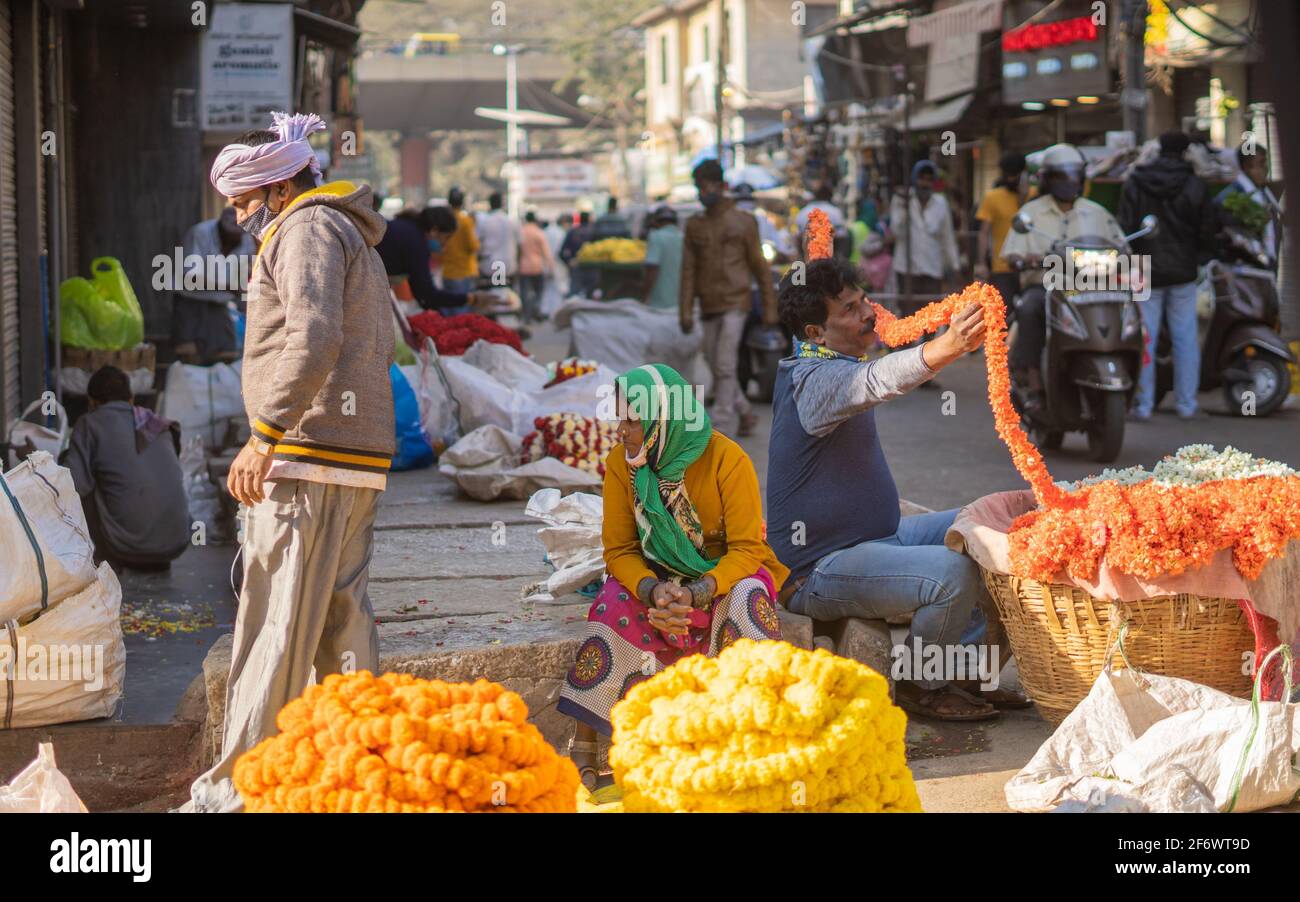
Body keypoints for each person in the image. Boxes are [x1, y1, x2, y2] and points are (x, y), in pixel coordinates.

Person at [188, 111, 394, 812]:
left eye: (244, 203)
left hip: (310, 457)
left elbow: (313, 333)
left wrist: (265, 434)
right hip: (352, 458)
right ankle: (357, 769)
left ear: (278, 189)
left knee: (277, 623)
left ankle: (242, 785)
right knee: (342, 624)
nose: (241, 217)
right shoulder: (340, 229)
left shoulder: (306, 228)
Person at [766, 258, 1028, 721]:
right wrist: (945, 346)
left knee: (991, 525)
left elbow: (875, 373)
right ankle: (920, 685)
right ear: (815, 334)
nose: (868, 312)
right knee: (954, 573)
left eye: (863, 298)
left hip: (880, 539)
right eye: (849, 308)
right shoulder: (812, 379)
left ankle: (965, 675)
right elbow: (878, 381)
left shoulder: (838, 361)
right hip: (819, 569)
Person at [558, 363, 788, 787]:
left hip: (721, 579)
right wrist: (653, 590)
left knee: (749, 599)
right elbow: (621, 550)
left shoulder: (726, 459)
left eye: (631, 421)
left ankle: (757, 732)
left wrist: (700, 591)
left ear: (663, 421)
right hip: (657, 580)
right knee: (611, 605)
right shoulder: (620, 465)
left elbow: (745, 549)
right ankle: (587, 744)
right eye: (620, 419)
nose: (621, 431)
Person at [1001, 143, 1127, 416]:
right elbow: (1011, 253)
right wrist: (1028, 257)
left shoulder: (1096, 212)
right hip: (1046, 286)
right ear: (1047, 179)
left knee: (1127, 306)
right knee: (1030, 308)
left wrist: (1126, 254)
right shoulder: (1031, 213)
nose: (1068, 183)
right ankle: (1034, 384)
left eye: (1073, 176)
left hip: (1090, 287)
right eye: (1061, 176)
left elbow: (1121, 244)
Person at [1120, 131, 1216, 421]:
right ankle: (1187, 405)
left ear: (1159, 148)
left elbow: (1126, 227)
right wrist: (1198, 259)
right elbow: (1206, 229)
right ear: (1187, 152)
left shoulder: (1137, 180)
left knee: (1145, 337)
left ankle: (1144, 404)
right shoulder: (1195, 184)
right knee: (1185, 337)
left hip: (1145, 268)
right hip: (1183, 270)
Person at [681, 159, 778, 437]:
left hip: (737, 302)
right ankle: (745, 411)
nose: (703, 192)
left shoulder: (744, 222)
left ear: (721, 186)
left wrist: (770, 308)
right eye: (699, 187)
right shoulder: (694, 226)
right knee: (715, 364)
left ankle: (720, 424)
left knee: (724, 364)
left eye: (708, 185)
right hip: (708, 303)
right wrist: (685, 311)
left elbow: (760, 267)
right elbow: (688, 271)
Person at [63, 366, 189, 570]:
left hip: (125, 547)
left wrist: (38, 464)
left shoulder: (90, 423)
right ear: (131, 398)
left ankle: (100, 558)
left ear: (92, 402)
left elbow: (73, 484)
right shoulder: (156, 423)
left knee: (77, 474)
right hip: (175, 543)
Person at [172, 206, 257, 363]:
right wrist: (228, 287)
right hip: (190, 303)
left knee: (224, 358)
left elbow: (246, 277)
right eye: (230, 236)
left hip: (220, 305)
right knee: (189, 357)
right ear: (221, 229)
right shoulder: (200, 233)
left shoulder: (246, 240)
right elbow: (189, 279)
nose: (235, 240)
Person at [375, 205, 495, 314]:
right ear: (434, 230)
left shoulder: (408, 227)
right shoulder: (417, 243)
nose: (445, 244)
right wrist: (470, 299)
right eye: (446, 238)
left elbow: (421, 293)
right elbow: (427, 294)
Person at [888, 161, 961, 316]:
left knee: (931, 318)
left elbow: (947, 237)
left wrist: (954, 267)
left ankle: (928, 342)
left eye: (929, 180)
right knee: (907, 318)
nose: (924, 184)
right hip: (907, 270)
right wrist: (904, 206)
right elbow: (896, 230)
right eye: (921, 179)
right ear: (915, 180)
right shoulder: (901, 200)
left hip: (932, 269)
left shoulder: (940, 203)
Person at [974, 151, 1028, 308]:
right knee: (1002, 312)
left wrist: (1023, 198)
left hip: (1031, 266)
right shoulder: (992, 197)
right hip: (1002, 267)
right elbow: (983, 232)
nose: (1011, 179)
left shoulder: (1034, 196)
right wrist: (982, 263)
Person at [1215, 142, 1282, 265]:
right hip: (1246, 266)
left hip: (1266, 262)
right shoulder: (1231, 198)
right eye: (1261, 163)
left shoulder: (1263, 192)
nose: (1266, 168)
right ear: (1247, 166)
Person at [642, 205, 683, 312]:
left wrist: (645, 296)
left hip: (659, 304)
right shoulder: (683, 237)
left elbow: (652, 269)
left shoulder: (656, 237)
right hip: (680, 303)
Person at [440, 186, 480, 293]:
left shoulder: (442, 220)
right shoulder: (466, 221)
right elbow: (473, 246)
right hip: (464, 272)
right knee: (462, 308)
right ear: (462, 201)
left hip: (447, 272)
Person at [517, 210, 554, 323]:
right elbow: (546, 252)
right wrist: (551, 267)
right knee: (538, 292)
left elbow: (517, 250)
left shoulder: (521, 232)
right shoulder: (539, 233)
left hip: (523, 266)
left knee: (524, 292)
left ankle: (527, 315)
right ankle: (535, 310)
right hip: (537, 266)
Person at [476, 191, 519, 287]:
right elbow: (519, 244)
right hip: (509, 266)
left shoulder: (484, 221)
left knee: (491, 298)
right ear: (502, 204)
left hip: (489, 266)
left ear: (490, 204)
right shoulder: (512, 221)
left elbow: (477, 243)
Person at [796, 183, 848, 257]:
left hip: (808, 258)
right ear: (830, 196)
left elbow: (798, 237)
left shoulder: (803, 212)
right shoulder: (835, 212)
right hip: (830, 260)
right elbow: (842, 237)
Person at [560, 211, 597, 297]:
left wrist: (568, 262)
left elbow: (562, 252)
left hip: (576, 267)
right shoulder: (594, 231)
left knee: (574, 296)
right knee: (591, 296)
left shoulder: (573, 231)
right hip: (592, 267)